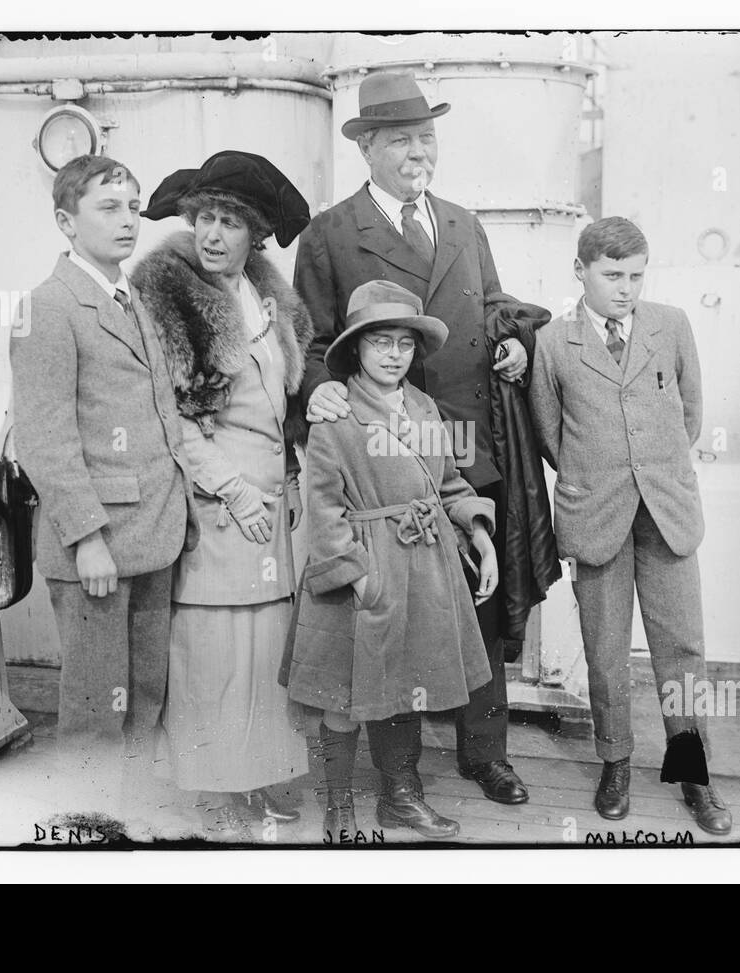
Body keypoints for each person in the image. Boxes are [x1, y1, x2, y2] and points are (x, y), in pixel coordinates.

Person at [293, 70, 530, 806]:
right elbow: (307, 341)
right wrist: (316, 388)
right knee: (392, 614)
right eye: (400, 140)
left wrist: (514, 341)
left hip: (459, 444)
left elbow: (492, 306)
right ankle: (399, 773)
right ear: (366, 150)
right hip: (374, 451)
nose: (418, 152)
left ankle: (484, 753)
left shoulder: (463, 222)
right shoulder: (330, 232)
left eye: (426, 137)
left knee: (476, 609)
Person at [528, 217, 732, 834]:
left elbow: (690, 413)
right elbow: (549, 433)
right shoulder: (553, 344)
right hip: (596, 516)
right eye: (612, 276)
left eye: (636, 276)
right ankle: (615, 762)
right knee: (606, 649)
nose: (626, 289)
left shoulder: (670, 325)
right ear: (580, 272)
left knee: (683, 648)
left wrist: (651, 470)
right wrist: (601, 476)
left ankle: (692, 769)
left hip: (666, 513)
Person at [131, 150, 313, 840]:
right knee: (212, 639)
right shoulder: (165, 293)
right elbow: (167, 416)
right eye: (203, 217)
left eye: (228, 221)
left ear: (255, 234)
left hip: (270, 488)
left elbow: (279, 398)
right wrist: (232, 489)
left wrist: (289, 475)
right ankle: (217, 781)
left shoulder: (266, 293)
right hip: (214, 496)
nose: (211, 234)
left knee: (265, 639)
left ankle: (261, 769)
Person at [10, 155, 198, 818]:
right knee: (95, 703)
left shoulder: (130, 297)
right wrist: (86, 538)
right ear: (66, 221)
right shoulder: (50, 307)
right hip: (98, 547)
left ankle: (134, 815)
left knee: (146, 692)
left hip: (152, 537)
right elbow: (44, 438)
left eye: (134, 205)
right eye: (109, 207)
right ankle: (88, 830)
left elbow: (161, 414)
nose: (129, 220)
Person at [283, 280, 498, 841]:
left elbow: (448, 484)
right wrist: (355, 575)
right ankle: (337, 805)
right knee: (346, 693)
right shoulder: (336, 413)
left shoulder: (425, 407)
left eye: (405, 343)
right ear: (356, 348)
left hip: (425, 566)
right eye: (380, 342)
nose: (393, 354)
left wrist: (477, 531)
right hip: (366, 566)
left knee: (406, 682)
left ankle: (399, 796)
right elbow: (323, 504)